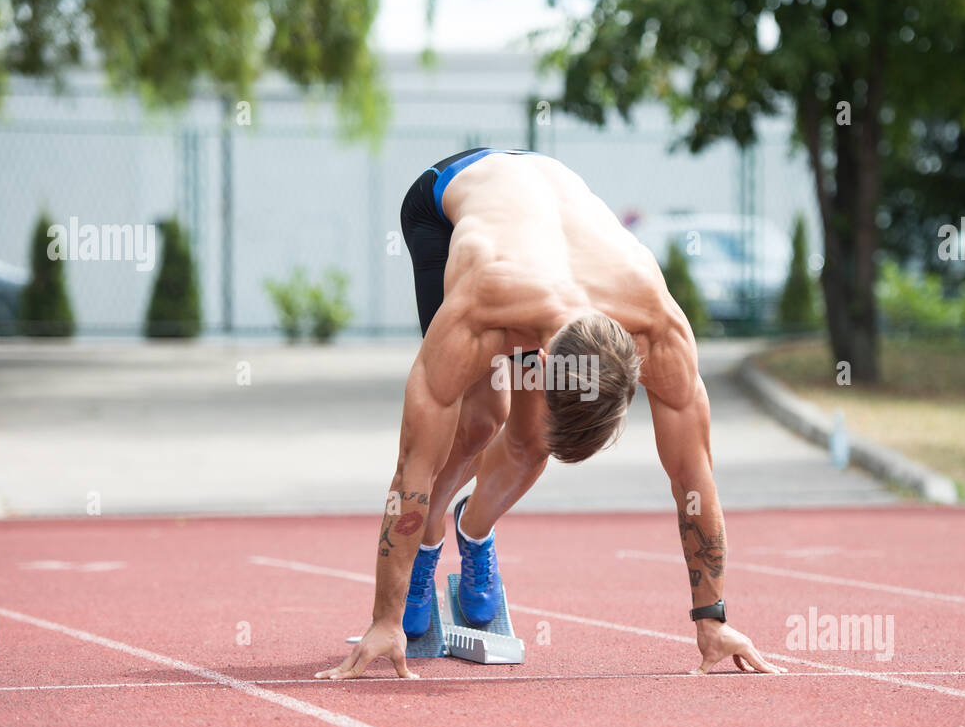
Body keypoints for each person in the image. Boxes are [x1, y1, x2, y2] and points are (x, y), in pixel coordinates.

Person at [317, 148, 786, 680]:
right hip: (447, 199)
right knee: (477, 423)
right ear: (539, 363)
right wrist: (385, 617)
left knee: (529, 441)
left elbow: (692, 475)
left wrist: (713, 617)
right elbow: (412, 468)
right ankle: (428, 552)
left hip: (550, 208)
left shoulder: (658, 328)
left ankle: (473, 532)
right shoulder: (482, 309)